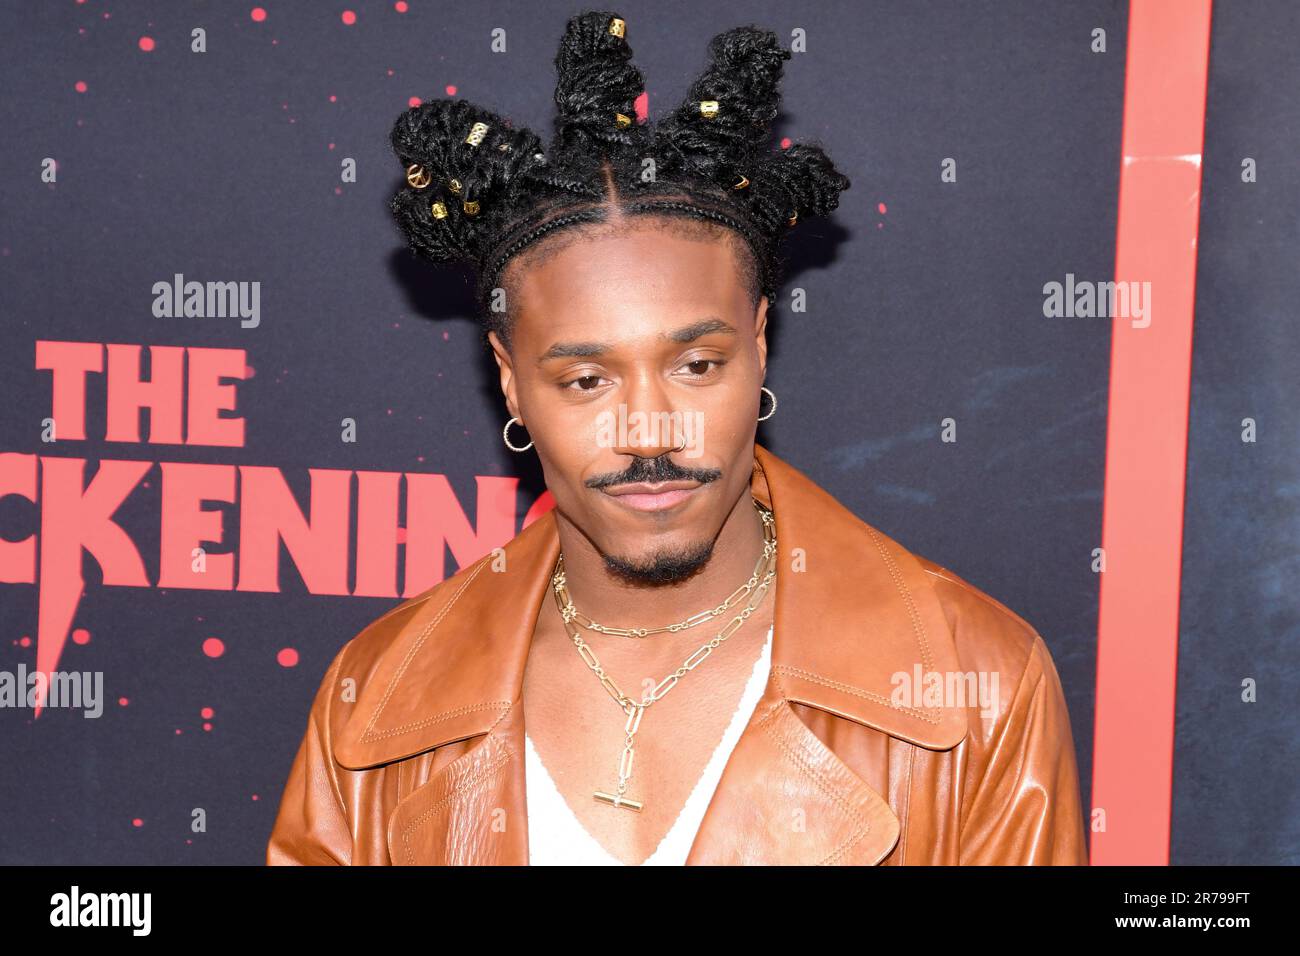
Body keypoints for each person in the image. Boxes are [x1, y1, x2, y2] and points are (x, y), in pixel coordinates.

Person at [266, 10, 1088, 866]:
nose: (648, 430)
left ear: (761, 345)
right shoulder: (376, 705)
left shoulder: (977, 687)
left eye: (696, 366)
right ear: (511, 380)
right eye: (586, 380)